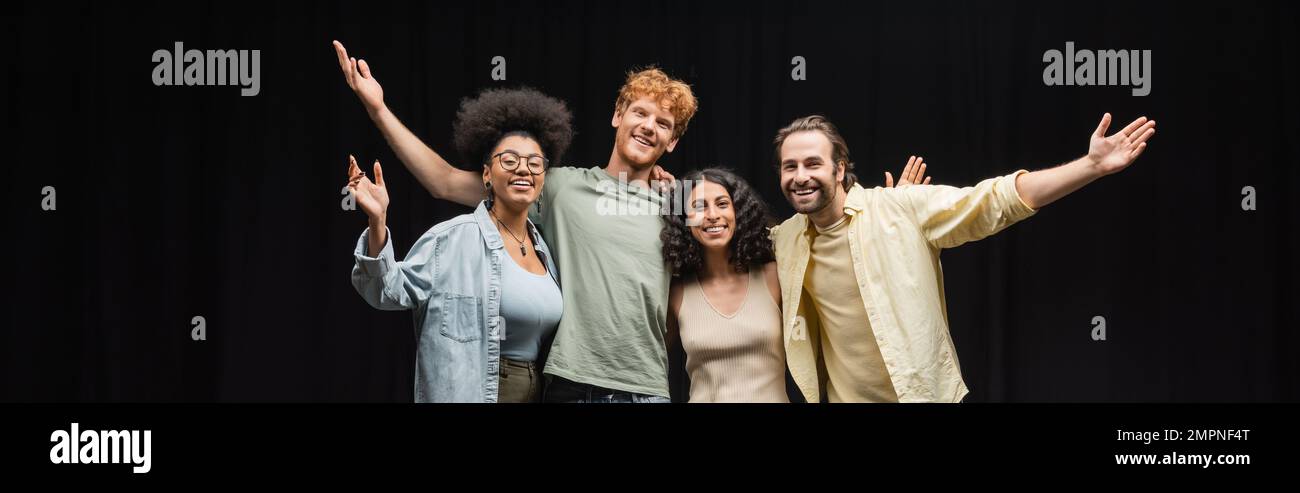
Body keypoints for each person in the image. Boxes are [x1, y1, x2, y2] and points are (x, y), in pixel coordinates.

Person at [769, 113, 1155, 402]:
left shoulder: (899, 209)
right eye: (790, 167)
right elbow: (720, 239)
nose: (800, 176)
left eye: (812, 163)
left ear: (839, 169)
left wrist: (1090, 166)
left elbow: (994, 200)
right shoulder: (785, 241)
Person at [346, 87, 572, 403]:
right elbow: (386, 290)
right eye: (510, 160)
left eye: (535, 163)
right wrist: (377, 222)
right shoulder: (453, 239)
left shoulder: (545, 250)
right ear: (487, 175)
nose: (524, 169)